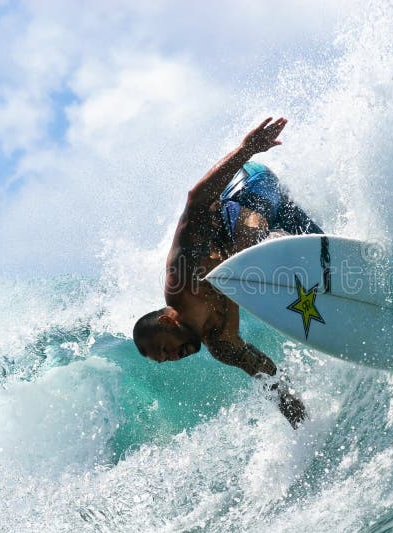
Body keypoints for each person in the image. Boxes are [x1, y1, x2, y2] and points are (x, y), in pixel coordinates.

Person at [132, 117, 322, 429]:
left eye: (164, 349)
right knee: (324, 256)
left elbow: (196, 201)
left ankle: (277, 247)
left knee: (243, 254)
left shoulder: (182, 281)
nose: (171, 357)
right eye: (163, 360)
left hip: (249, 185)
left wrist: (247, 150)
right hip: (276, 211)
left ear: (167, 319)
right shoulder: (223, 343)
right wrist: (305, 427)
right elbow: (270, 377)